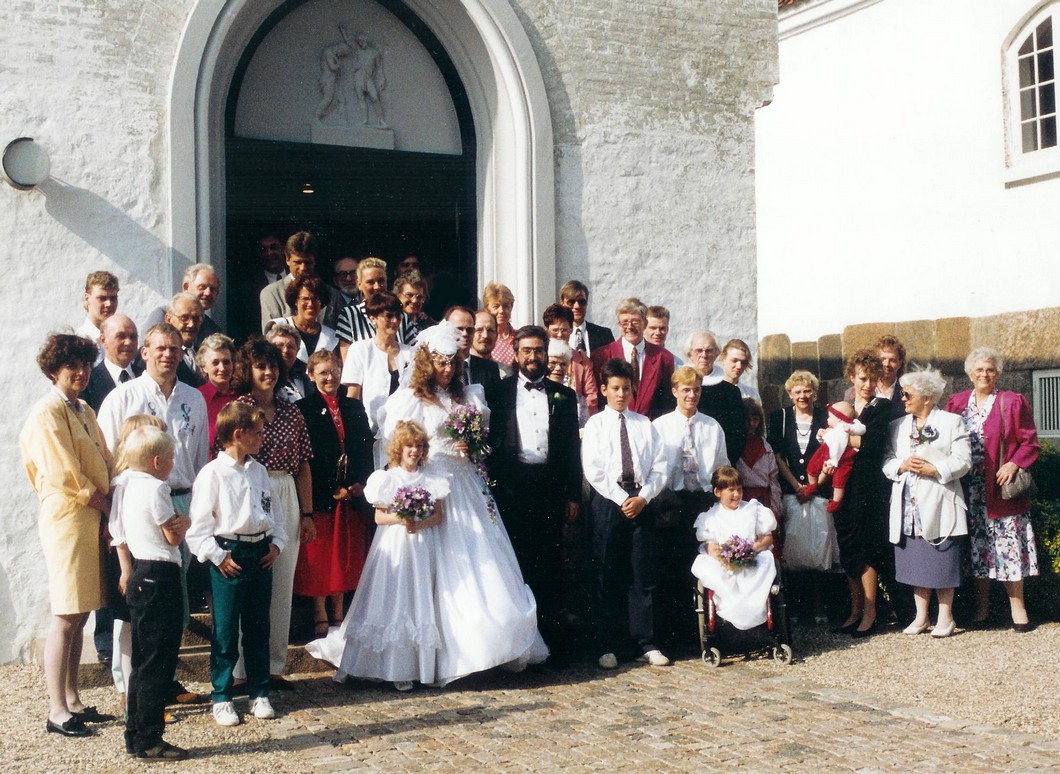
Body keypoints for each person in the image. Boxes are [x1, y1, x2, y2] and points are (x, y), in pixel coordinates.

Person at [375, 321, 548, 684]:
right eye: (440, 363)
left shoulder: (469, 397)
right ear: (426, 362)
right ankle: (429, 656)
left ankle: (488, 646)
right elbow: (401, 447)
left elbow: (484, 444)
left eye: (453, 363)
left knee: (483, 564)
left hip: (466, 484)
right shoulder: (411, 399)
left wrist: (472, 447)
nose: (448, 370)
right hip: (431, 482)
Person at [96, 323, 210, 706]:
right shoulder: (123, 397)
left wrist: (194, 509)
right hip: (139, 502)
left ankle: (165, 678)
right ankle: (130, 685)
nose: (168, 354)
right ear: (144, 352)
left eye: (175, 348)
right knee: (136, 603)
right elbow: (110, 461)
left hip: (180, 501)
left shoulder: (193, 398)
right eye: (160, 348)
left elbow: (198, 459)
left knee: (172, 600)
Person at [20, 333, 113, 738]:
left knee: (84, 611)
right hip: (70, 517)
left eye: (85, 364)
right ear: (53, 371)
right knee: (66, 612)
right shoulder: (47, 412)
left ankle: (73, 698)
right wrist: (107, 505)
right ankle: (56, 710)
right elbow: (64, 474)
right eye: (71, 365)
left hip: (92, 516)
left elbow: (104, 459)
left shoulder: (83, 408)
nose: (80, 372)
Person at [308, 421, 449, 690]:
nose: (415, 451)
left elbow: (439, 515)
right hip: (395, 544)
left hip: (421, 545)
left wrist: (419, 522)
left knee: (418, 598)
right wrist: (402, 517)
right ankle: (393, 668)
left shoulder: (431, 478)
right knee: (394, 596)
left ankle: (420, 667)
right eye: (410, 445)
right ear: (400, 447)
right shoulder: (388, 478)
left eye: (419, 446)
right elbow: (379, 516)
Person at [186, 402, 287, 727]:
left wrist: (276, 545)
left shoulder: (258, 471)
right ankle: (222, 696)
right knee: (226, 631)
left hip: (260, 554)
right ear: (238, 434)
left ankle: (259, 692)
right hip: (228, 556)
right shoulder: (212, 474)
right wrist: (218, 557)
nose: (262, 439)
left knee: (258, 628)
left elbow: (274, 515)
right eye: (257, 434)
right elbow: (198, 529)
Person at [231, 337, 316, 690]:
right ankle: (239, 671)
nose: (268, 372)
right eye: (261, 366)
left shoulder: (291, 411)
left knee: (281, 585)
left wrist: (307, 513)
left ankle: (274, 666)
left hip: (286, 492)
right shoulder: (238, 410)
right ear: (248, 370)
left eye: (273, 367)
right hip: (249, 490)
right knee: (248, 585)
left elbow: (304, 466)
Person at [486, 326, 582, 638]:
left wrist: (573, 496)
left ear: (546, 354)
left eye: (538, 350)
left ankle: (549, 638)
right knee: (515, 561)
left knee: (550, 563)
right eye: (526, 350)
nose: (532, 356)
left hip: (549, 488)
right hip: (512, 489)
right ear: (515, 354)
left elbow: (570, 449)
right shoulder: (497, 392)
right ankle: (518, 639)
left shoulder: (564, 396)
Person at [582, 358, 670, 669]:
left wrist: (643, 497)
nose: (621, 394)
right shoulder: (596, 425)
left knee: (641, 573)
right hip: (609, 501)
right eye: (615, 388)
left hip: (641, 501)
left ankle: (644, 642)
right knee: (607, 571)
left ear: (633, 390)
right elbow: (594, 470)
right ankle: (608, 644)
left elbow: (661, 467)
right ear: (603, 389)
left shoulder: (644, 425)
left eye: (626, 388)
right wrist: (622, 499)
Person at [946, 347, 1041, 631]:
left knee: (1009, 547)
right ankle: (982, 608)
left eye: (989, 369)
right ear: (969, 373)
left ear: (997, 373)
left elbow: (1030, 442)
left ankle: (1017, 609)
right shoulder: (957, 403)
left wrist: (1013, 464)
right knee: (979, 550)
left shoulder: (1012, 401)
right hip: (970, 490)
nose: (984, 374)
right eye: (979, 369)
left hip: (1001, 490)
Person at [110, 426, 191, 761]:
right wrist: (184, 522)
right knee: (159, 661)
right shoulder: (157, 488)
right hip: (161, 572)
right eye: (171, 458)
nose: (173, 464)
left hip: (140, 571)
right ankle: (151, 737)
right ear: (157, 461)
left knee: (142, 661)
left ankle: (136, 733)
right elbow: (171, 537)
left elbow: (120, 534)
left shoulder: (124, 485)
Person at [883, 367, 971, 638]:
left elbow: (964, 460)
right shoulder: (896, 426)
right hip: (908, 506)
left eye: (908, 394)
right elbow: (886, 460)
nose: (903, 399)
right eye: (902, 393)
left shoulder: (951, 422)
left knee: (942, 560)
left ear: (928, 398)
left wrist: (936, 470)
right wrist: (901, 464)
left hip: (940, 502)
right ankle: (921, 617)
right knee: (916, 562)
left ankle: (946, 617)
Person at [295, 351, 375, 636]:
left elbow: (365, 448)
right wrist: (332, 488)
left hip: (352, 493)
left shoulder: (354, 406)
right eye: (323, 372)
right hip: (322, 493)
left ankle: (339, 612)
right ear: (311, 374)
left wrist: (360, 483)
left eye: (335, 371)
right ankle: (319, 612)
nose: (330, 378)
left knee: (344, 555)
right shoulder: (303, 408)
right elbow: (308, 456)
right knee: (320, 555)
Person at [651, 365, 729, 647]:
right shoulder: (660, 427)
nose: (691, 395)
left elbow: (722, 467)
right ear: (675, 391)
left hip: (702, 500)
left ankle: (702, 633)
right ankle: (672, 634)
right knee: (671, 567)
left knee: (702, 565)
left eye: (696, 390)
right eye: (686, 390)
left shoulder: (712, 426)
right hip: (670, 502)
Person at [831, 349, 893, 638]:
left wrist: (844, 438)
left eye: (873, 379)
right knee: (848, 544)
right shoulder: (844, 406)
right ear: (852, 377)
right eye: (863, 379)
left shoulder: (881, 407)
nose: (868, 385)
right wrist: (850, 439)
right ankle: (854, 611)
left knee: (866, 545)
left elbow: (874, 444)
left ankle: (871, 613)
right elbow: (832, 440)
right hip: (844, 483)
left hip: (868, 485)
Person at [766, 370, 833, 624]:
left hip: (819, 492)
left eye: (807, 391)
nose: (803, 396)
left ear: (814, 393)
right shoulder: (780, 417)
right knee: (793, 550)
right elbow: (778, 455)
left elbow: (831, 455)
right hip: (791, 492)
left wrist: (814, 486)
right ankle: (795, 609)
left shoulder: (826, 418)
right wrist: (796, 485)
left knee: (819, 549)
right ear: (790, 394)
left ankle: (820, 609)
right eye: (797, 391)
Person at [691, 466, 778, 631]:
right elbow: (710, 546)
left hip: (751, 558)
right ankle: (727, 609)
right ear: (718, 492)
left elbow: (768, 537)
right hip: (725, 562)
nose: (737, 495)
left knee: (765, 562)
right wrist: (727, 560)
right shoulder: (710, 517)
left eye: (739, 490)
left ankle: (755, 610)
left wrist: (752, 549)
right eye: (731, 490)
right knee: (708, 568)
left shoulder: (752, 510)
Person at [339, 291, 414, 436]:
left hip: (405, 435)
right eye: (388, 316)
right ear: (373, 318)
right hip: (369, 432)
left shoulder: (411, 353)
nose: (395, 321)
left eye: (397, 316)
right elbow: (352, 396)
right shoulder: (359, 349)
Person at [590, 298, 676, 420]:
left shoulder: (664, 357)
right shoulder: (601, 356)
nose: (629, 327)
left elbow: (668, 403)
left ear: (645, 324)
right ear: (619, 325)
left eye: (635, 322)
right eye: (625, 322)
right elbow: (597, 400)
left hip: (651, 429)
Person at [686, 330, 746, 462]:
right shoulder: (679, 389)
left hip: (719, 466)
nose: (704, 355)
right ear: (690, 354)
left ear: (717, 354)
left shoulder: (731, 392)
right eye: (698, 350)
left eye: (709, 351)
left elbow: (738, 437)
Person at [336, 256, 415, 351]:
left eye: (381, 281)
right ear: (359, 284)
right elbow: (348, 360)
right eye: (370, 282)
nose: (377, 287)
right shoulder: (349, 315)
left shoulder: (401, 316)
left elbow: (413, 354)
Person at [803, 401, 866, 513]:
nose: (827, 420)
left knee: (839, 481)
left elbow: (862, 429)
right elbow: (824, 441)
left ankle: (836, 501)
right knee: (813, 465)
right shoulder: (832, 429)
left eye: (829, 417)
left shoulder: (847, 427)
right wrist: (820, 435)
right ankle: (812, 484)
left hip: (844, 458)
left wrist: (850, 429)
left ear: (839, 419)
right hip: (827, 452)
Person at [543, 303, 598, 423]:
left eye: (564, 330)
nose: (559, 335)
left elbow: (591, 396)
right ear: (546, 329)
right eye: (555, 330)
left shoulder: (582, 361)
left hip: (575, 419)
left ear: (571, 330)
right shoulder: (541, 357)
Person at [142, 264, 223, 343]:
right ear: (186, 287)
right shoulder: (162, 315)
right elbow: (148, 349)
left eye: (213, 289)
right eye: (202, 287)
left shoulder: (212, 328)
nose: (208, 293)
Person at [267, 274, 338, 363]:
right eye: (305, 299)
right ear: (295, 301)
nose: (310, 304)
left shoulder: (330, 336)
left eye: (315, 299)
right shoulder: (279, 326)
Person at [80, 315, 141, 414]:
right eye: (121, 336)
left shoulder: (145, 376)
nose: (128, 342)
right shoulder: (87, 383)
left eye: (133, 337)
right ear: (103, 340)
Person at [260, 231, 318, 332]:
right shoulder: (271, 293)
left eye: (308, 262)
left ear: (314, 261)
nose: (303, 268)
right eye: (298, 262)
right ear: (287, 259)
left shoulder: (332, 295)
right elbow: (272, 338)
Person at [737, 399, 782, 523]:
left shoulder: (765, 446)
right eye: (747, 419)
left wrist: (775, 511)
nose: (751, 424)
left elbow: (773, 480)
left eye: (755, 419)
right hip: (741, 497)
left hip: (763, 499)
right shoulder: (734, 445)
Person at [844, 334, 907, 420]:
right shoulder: (851, 393)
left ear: (900, 363)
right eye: (882, 359)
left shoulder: (906, 391)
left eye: (892, 360)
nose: (886, 364)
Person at [196, 333, 237, 452]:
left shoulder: (242, 398)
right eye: (215, 363)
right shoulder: (197, 397)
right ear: (204, 367)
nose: (222, 368)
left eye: (226, 362)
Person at [559, 280, 614, 357]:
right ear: (562, 303)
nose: (577, 306)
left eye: (582, 302)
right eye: (571, 302)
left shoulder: (604, 335)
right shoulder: (556, 335)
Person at [163, 292, 206, 387]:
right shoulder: (160, 355)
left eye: (196, 318)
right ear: (169, 319)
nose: (191, 324)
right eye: (184, 318)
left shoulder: (203, 352)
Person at [76, 271, 120, 359]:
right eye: (102, 298)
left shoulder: (123, 338)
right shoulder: (80, 341)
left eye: (113, 298)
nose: (109, 304)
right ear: (87, 298)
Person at [265, 323, 311, 403]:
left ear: (297, 351)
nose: (285, 350)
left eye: (290, 347)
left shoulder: (302, 378)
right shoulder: (265, 378)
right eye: (280, 345)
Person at [483, 282, 517, 368]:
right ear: (487, 308)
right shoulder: (483, 337)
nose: (501, 311)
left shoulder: (519, 337)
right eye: (496, 306)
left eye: (506, 306)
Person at [394, 271, 436, 340]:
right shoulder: (392, 323)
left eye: (419, 297)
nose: (414, 301)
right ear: (398, 295)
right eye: (409, 295)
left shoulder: (428, 323)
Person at [322, 254, 360, 330]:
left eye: (353, 273)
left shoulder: (369, 300)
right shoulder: (329, 307)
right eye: (343, 274)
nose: (349, 279)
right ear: (335, 280)